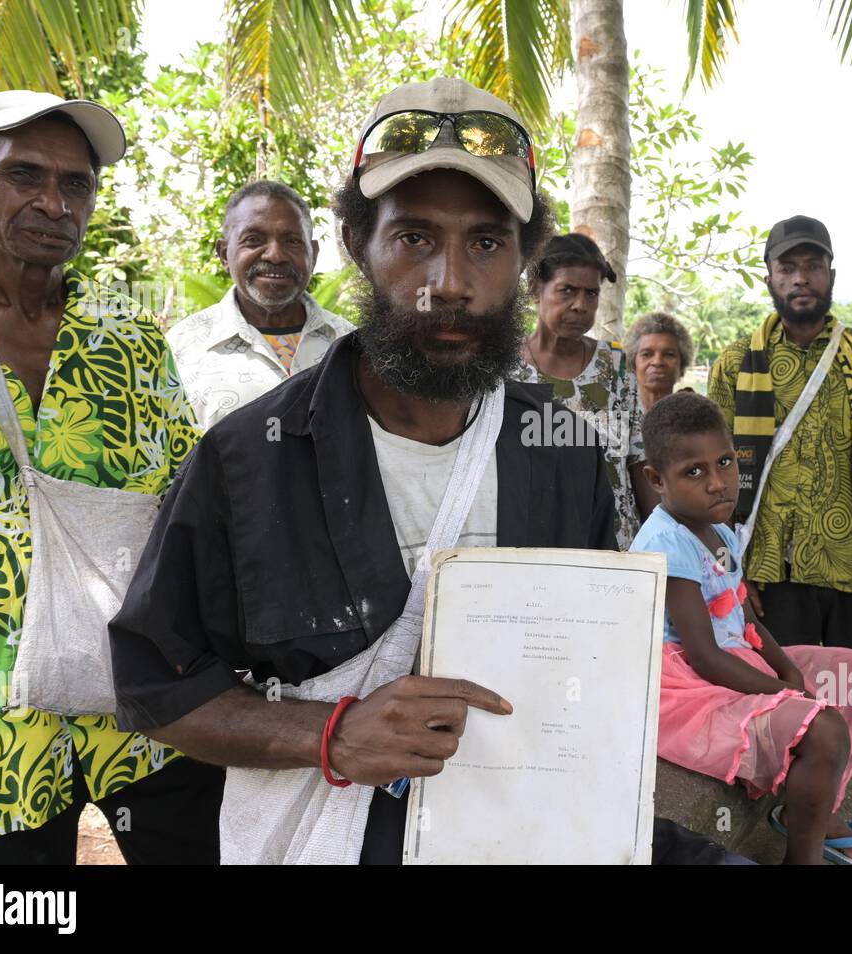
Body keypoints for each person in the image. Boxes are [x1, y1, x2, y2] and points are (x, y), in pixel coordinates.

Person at [106, 78, 630, 864]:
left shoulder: (566, 456)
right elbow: (155, 687)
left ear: (523, 260)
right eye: (415, 237)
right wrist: (329, 734)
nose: (449, 282)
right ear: (356, 243)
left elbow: (596, 670)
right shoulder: (247, 458)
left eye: (486, 242)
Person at [0, 90, 222, 864]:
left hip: (145, 708)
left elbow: (189, 508)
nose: (54, 203)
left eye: (77, 184)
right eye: (25, 175)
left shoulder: (126, 342)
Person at [631, 392, 852, 864]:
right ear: (656, 480)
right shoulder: (666, 545)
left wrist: (787, 668)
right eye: (694, 471)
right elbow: (706, 656)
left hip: (733, 658)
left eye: (725, 462)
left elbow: (745, 617)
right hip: (686, 683)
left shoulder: (721, 531)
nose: (718, 483)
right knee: (823, 728)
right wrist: (781, 691)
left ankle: (807, 811)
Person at [708, 215, 852, 668]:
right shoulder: (735, 362)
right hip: (766, 572)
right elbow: (716, 473)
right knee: (781, 699)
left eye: (813, 265)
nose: (800, 278)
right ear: (769, 279)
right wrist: (732, 570)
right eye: (787, 268)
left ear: (831, 275)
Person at [167, 180, 352, 429]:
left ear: (314, 254)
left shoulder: (351, 345)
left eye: (292, 241)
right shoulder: (179, 349)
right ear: (224, 254)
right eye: (253, 240)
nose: (275, 255)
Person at [514, 233, 653, 549]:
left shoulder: (613, 364)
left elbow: (638, 457)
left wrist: (659, 543)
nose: (580, 305)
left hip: (615, 541)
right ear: (536, 290)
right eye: (567, 291)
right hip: (534, 540)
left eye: (591, 293)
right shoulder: (507, 368)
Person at [625, 310, 695, 411]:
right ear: (633, 364)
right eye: (647, 354)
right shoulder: (612, 417)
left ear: (681, 366)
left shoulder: (696, 417)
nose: (657, 362)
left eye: (669, 354)